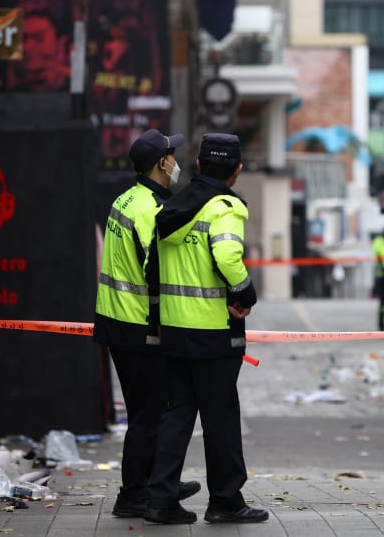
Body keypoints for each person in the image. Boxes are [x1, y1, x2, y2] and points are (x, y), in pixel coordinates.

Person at [144, 133, 268, 525]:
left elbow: (153, 267)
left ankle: (160, 500)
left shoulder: (173, 205)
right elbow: (228, 255)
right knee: (222, 420)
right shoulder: (225, 207)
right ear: (237, 170)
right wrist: (245, 293)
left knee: (177, 416)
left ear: (198, 164)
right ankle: (226, 501)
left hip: (176, 330)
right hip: (213, 331)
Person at [93, 129, 200, 518]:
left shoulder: (127, 198)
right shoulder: (150, 209)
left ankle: (156, 482)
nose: (176, 162)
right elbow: (157, 273)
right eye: (172, 155)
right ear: (161, 163)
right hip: (138, 325)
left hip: (117, 319)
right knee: (149, 413)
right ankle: (135, 494)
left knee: (147, 408)